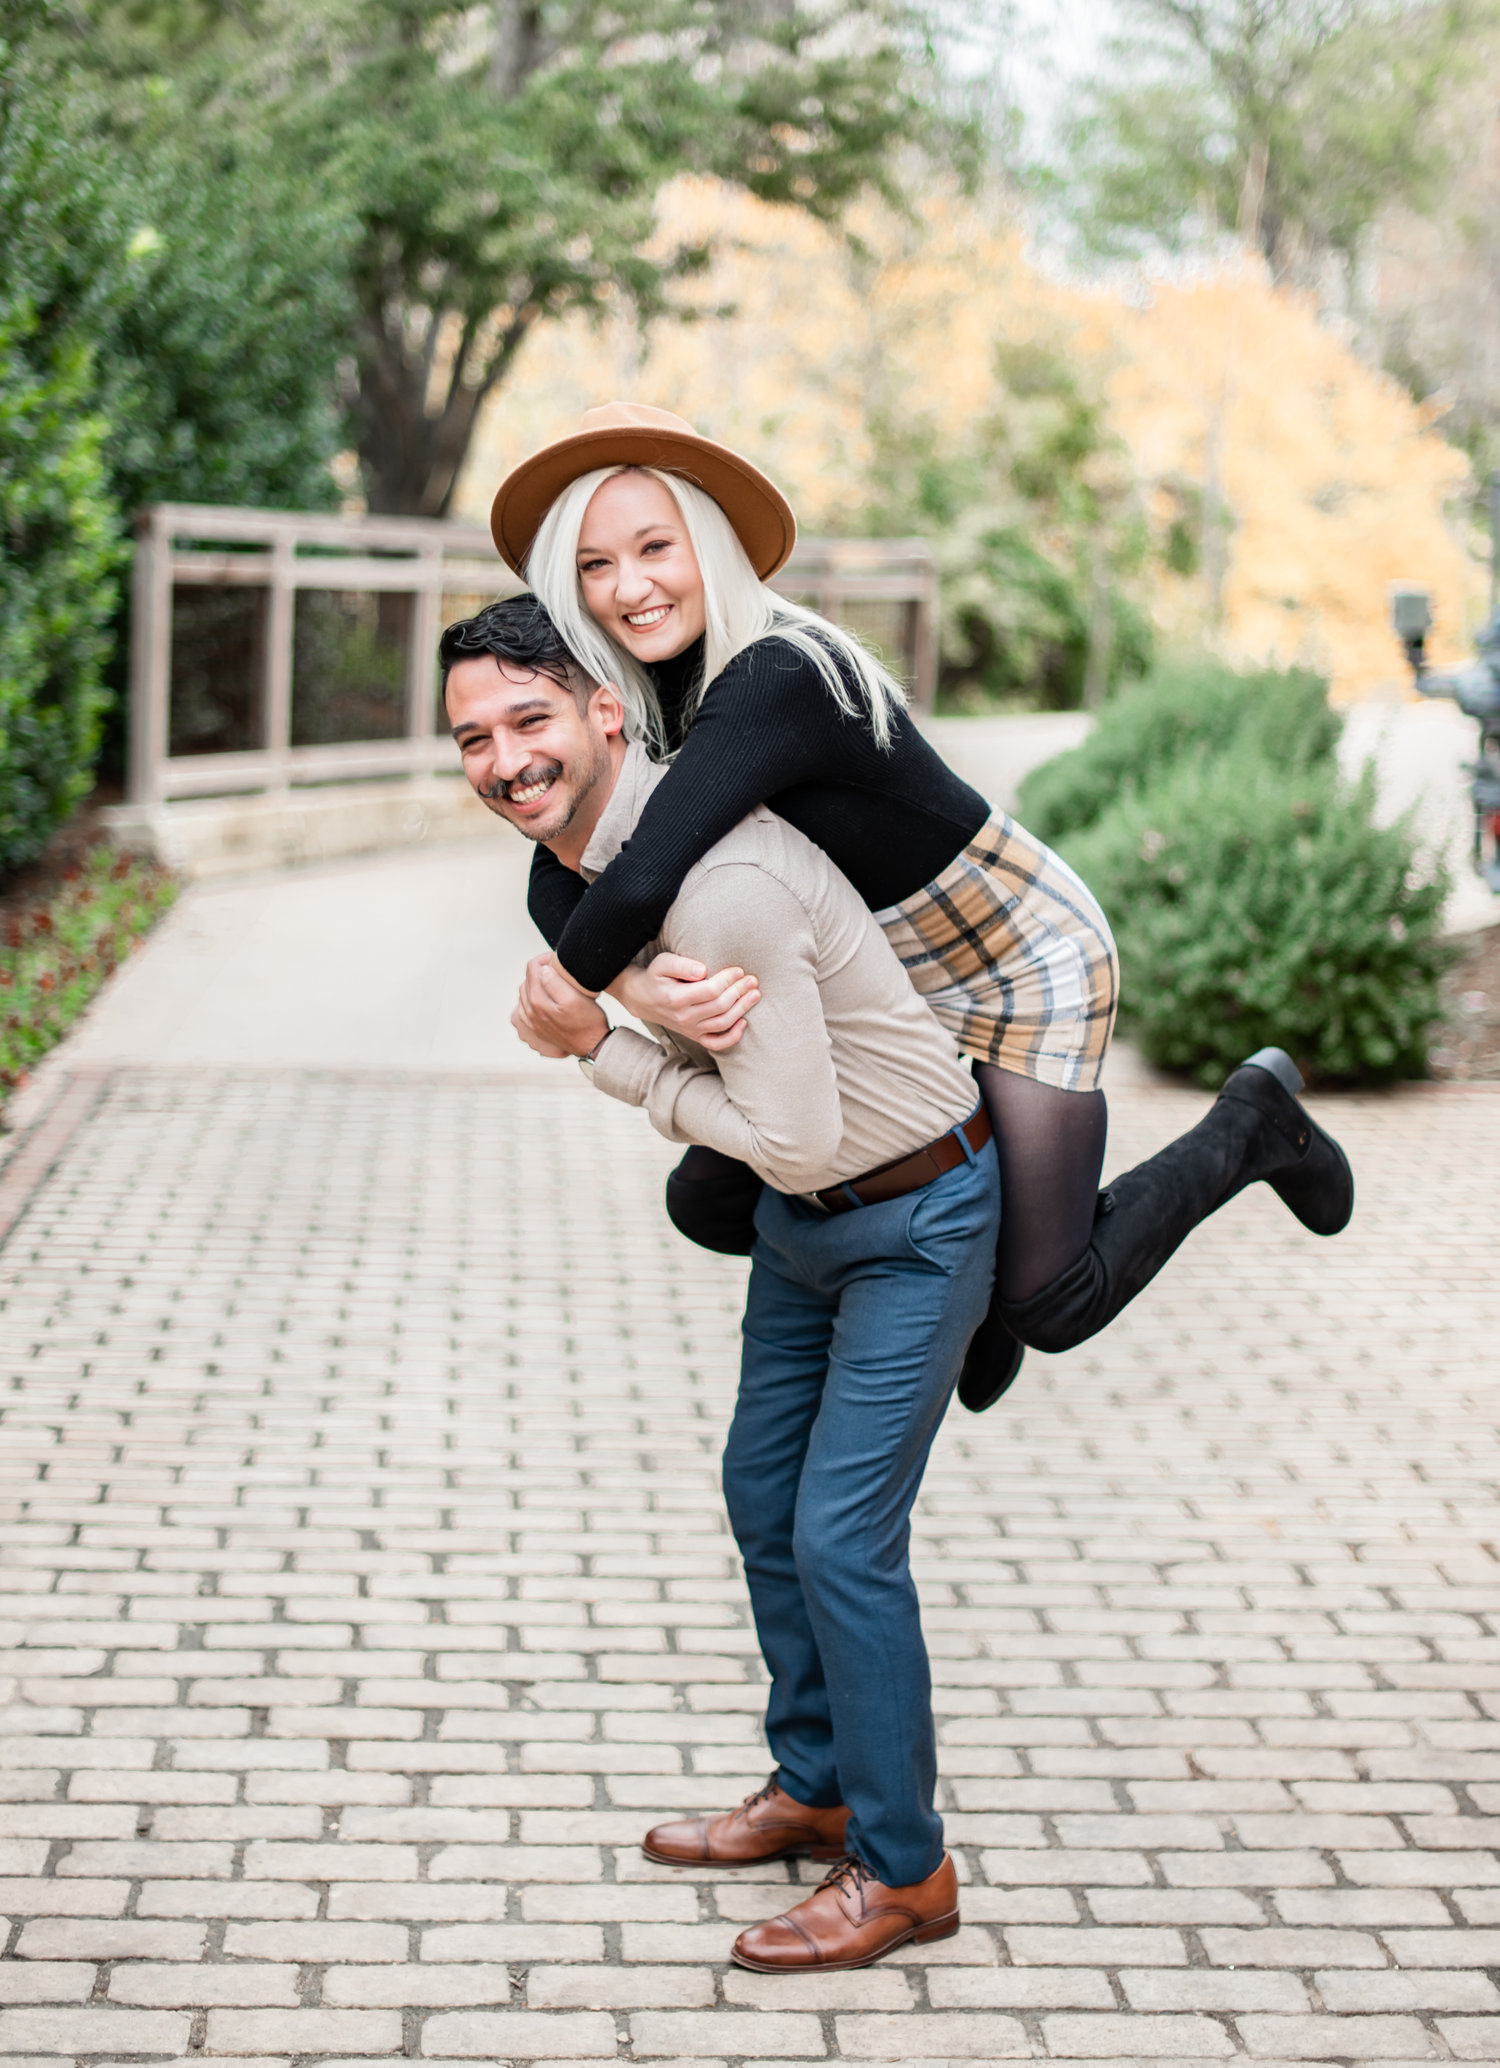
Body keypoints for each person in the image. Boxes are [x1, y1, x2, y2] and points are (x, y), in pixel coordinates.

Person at [485, 403, 1355, 1411]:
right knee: (712, 1201)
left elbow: (635, 881)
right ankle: (963, 1281)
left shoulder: (777, 673)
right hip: (888, 980)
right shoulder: (640, 697)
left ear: (707, 545)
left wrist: (574, 1007)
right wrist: (640, 987)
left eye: (653, 547)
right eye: (595, 566)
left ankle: (1252, 1127)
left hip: (1016, 953)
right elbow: (559, 868)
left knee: (1054, 1297)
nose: (629, 586)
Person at [440, 592, 1001, 1971]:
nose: (505, 759)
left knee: (840, 1538)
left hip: (913, 1214)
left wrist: (604, 1053)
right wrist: (625, 1011)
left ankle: (904, 1870)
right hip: (812, 1225)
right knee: (763, 1496)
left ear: (605, 713)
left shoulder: (720, 888)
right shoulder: (591, 885)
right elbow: (769, 1123)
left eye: (529, 720)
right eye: (470, 739)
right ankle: (812, 1787)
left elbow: (794, 1133)